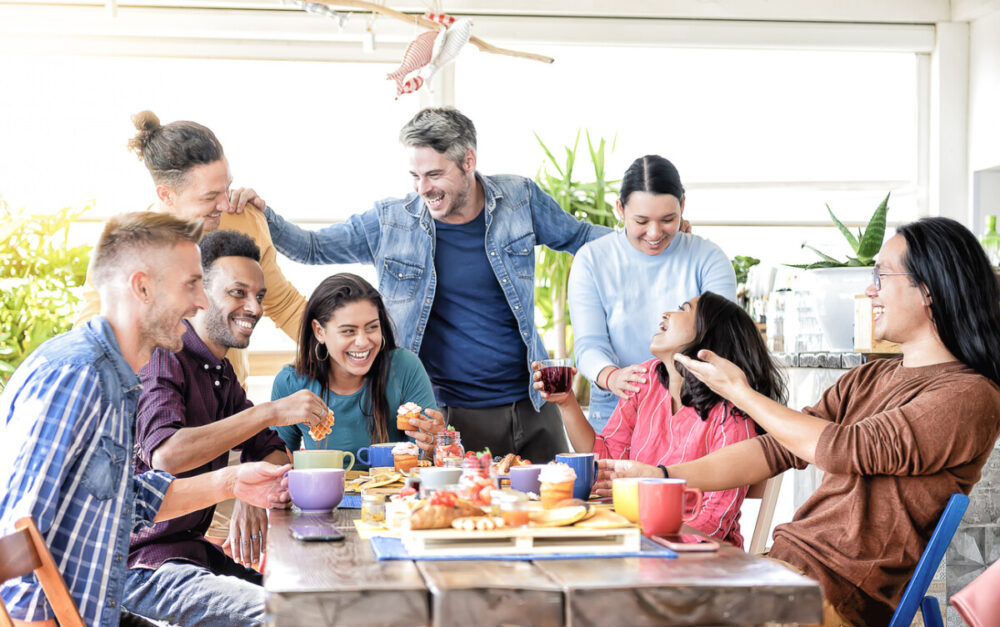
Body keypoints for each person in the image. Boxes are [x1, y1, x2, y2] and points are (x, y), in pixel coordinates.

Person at [596, 217, 1000, 626]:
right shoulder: (870, 377)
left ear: (927, 289)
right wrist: (662, 474)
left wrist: (741, 393)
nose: (869, 289)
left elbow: (845, 449)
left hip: (835, 598)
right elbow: (777, 448)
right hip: (782, 570)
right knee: (619, 597)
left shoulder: (968, 396)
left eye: (881, 275)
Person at [230, 107, 612, 460]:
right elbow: (311, 247)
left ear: (469, 162)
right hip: (447, 416)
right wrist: (264, 214)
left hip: (532, 406)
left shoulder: (519, 199)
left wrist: (647, 234)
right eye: (415, 176)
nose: (422, 188)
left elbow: (582, 237)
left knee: (550, 515)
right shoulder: (391, 221)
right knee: (463, 523)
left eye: (434, 175)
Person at [0, 212, 292, 627]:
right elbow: (18, 539)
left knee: (298, 610)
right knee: (282, 618)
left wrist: (231, 482)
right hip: (74, 617)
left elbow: (126, 500)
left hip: (104, 609)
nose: (201, 302)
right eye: (191, 284)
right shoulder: (78, 376)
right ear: (142, 287)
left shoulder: (116, 379)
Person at [122, 230, 330, 626]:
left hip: (190, 554)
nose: (254, 307)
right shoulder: (164, 357)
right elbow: (166, 454)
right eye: (238, 293)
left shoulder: (220, 371)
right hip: (143, 570)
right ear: (199, 295)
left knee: (314, 599)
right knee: (288, 616)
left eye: (260, 296)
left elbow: (270, 449)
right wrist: (269, 411)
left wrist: (252, 495)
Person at [74, 111, 308, 385]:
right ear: (166, 195)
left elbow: (286, 306)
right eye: (210, 196)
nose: (225, 203)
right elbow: (89, 333)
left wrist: (346, 349)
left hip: (228, 408)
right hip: (152, 409)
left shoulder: (244, 219)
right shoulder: (124, 246)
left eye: (227, 187)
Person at [534, 292, 784, 546]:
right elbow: (606, 459)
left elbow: (713, 522)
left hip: (699, 556)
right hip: (635, 539)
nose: (667, 314)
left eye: (685, 309)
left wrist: (641, 540)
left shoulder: (731, 415)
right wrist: (567, 403)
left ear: (709, 338)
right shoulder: (646, 380)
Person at [568, 155, 736, 433]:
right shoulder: (592, 260)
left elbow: (722, 341)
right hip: (616, 405)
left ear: (682, 206)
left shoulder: (709, 258)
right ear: (620, 209)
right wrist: (612, 377)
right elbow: (588, 344)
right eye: (641, 221)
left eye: (668, 219)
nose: (655, 233)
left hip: (691, 405)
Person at [271, 273, 442, 467]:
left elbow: (424, 464)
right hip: (323, 496)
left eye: (372, 328)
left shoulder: (405, 367)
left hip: (398, 495)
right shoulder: (291, 383)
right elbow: (277, 464)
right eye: (348, 331)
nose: (362, 342)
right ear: (319, 331)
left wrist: (433, 447)